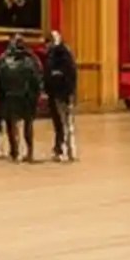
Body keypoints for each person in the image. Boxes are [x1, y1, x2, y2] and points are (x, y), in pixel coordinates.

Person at [0, 34, 43, 163]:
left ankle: (15, 152)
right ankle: (29, 152)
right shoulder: (31, 60)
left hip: (10, 97)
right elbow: (37, 81)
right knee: (28, 125)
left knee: (12, 125)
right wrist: (36, 96)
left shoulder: (4, 60)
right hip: (27, 98)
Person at [44, 30, 78, 162]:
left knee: (62, 124)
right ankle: (69, 150)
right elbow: (73, 76)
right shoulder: (66, 54)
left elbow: (51, 76)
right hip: (66, 94)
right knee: (67, 123)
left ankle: (63, 150)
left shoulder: (56, 56)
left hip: (59, 94)